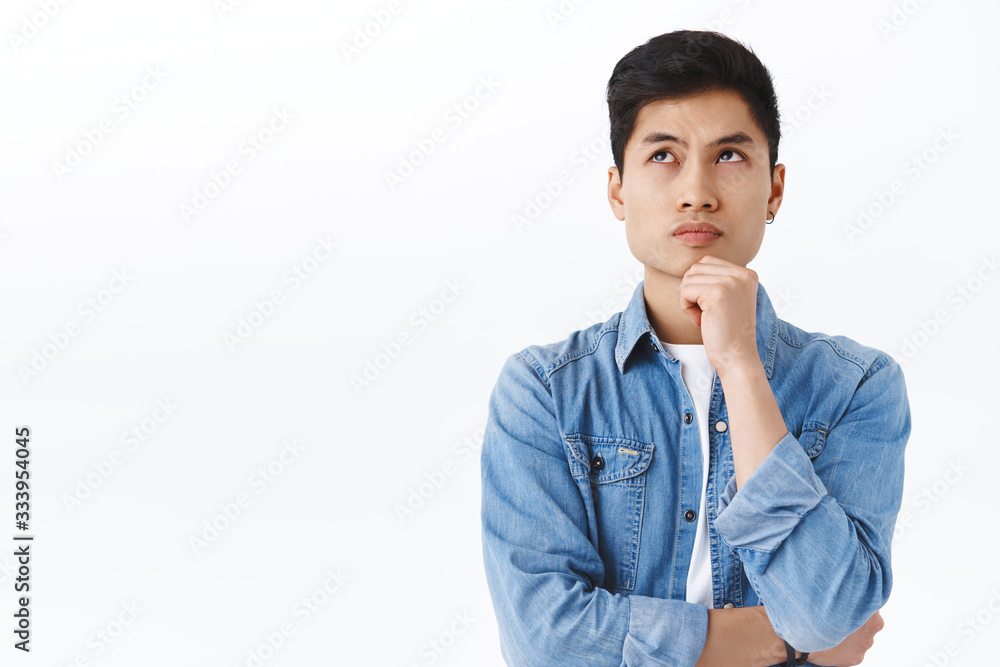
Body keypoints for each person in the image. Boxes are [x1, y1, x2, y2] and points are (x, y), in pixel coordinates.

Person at [480, 30, 911, 667]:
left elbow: (827, 609)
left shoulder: (856, 386)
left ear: (775, 189)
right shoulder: (545, 390)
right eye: (663, 156)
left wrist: (739, 363)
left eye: (730, 156)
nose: (697, 192)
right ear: (617, 190)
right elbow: (544, 638)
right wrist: (780, 642)